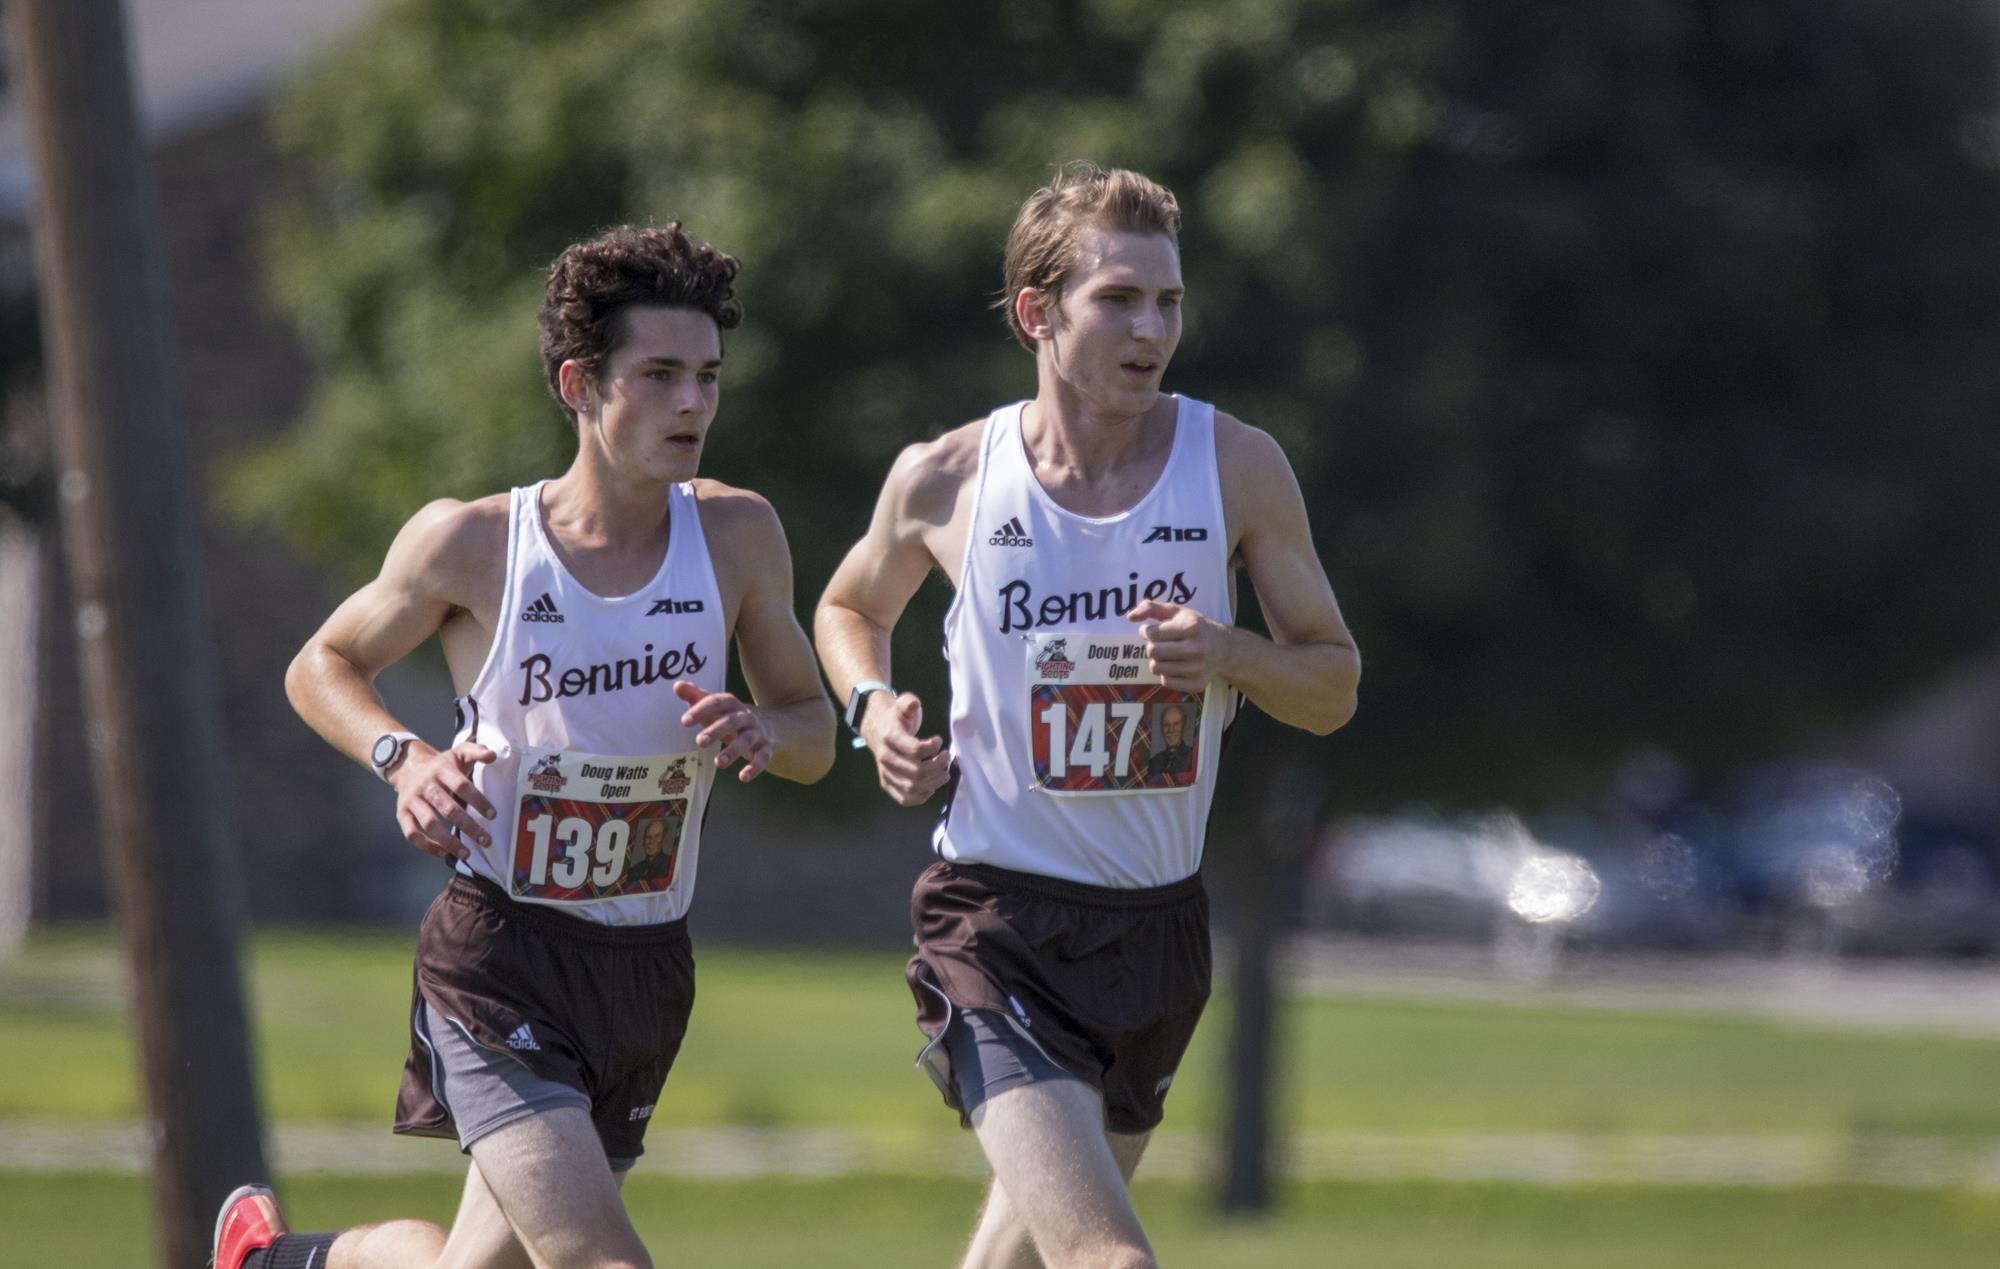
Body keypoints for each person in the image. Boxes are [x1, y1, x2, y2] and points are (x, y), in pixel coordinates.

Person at [213, 222, 835, 1269]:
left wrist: (763, 727)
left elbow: (815, 736)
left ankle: (283, 1262)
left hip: (642, 964)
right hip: (500, 957)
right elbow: (319, 665)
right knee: (597, 1259)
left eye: (708, 377)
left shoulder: (737, 540)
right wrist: (402, 760)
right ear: (576, 385)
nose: (693, 403)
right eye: (660, 375)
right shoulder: (475, 544)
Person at [815, 163, 1360, 1269]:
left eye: (1167, 302)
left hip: (1156, 933)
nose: (1150, 327)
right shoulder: (947, 477)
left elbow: (1332, 685)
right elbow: (846, 606)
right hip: (995, 927)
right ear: (1036, 314)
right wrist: (871, 708)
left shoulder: (1238, 467)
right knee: (1107, 1259)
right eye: (1117, 299)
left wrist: (1226, 652)